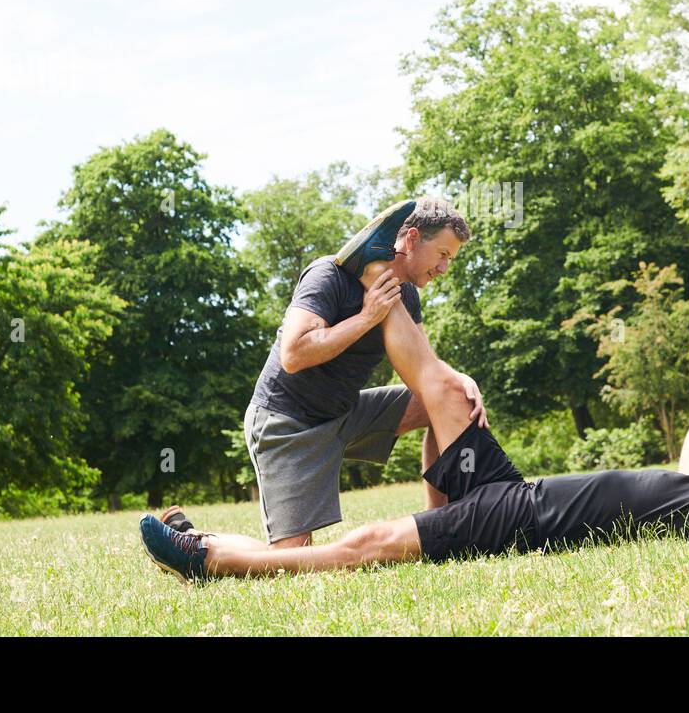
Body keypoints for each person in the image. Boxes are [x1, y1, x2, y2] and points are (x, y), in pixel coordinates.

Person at [139, 259, 689, 580]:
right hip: (509, 489)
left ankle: (208, 557)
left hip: (518, 520)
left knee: (366, 546)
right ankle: (385, 271)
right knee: (444, 390)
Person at [164, 197, 484, 549]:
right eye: (442, 254)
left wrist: (460, 381)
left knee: (452, 399)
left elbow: (427, 367)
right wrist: (366, 318)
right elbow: (294, 353)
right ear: (411, 239)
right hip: (287, 422)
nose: (444, 268)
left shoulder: (407, 295)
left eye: (450, 259)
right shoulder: (328, 274)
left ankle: (439, 522)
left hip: (343, 412)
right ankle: (189, 539)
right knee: (291, 559)